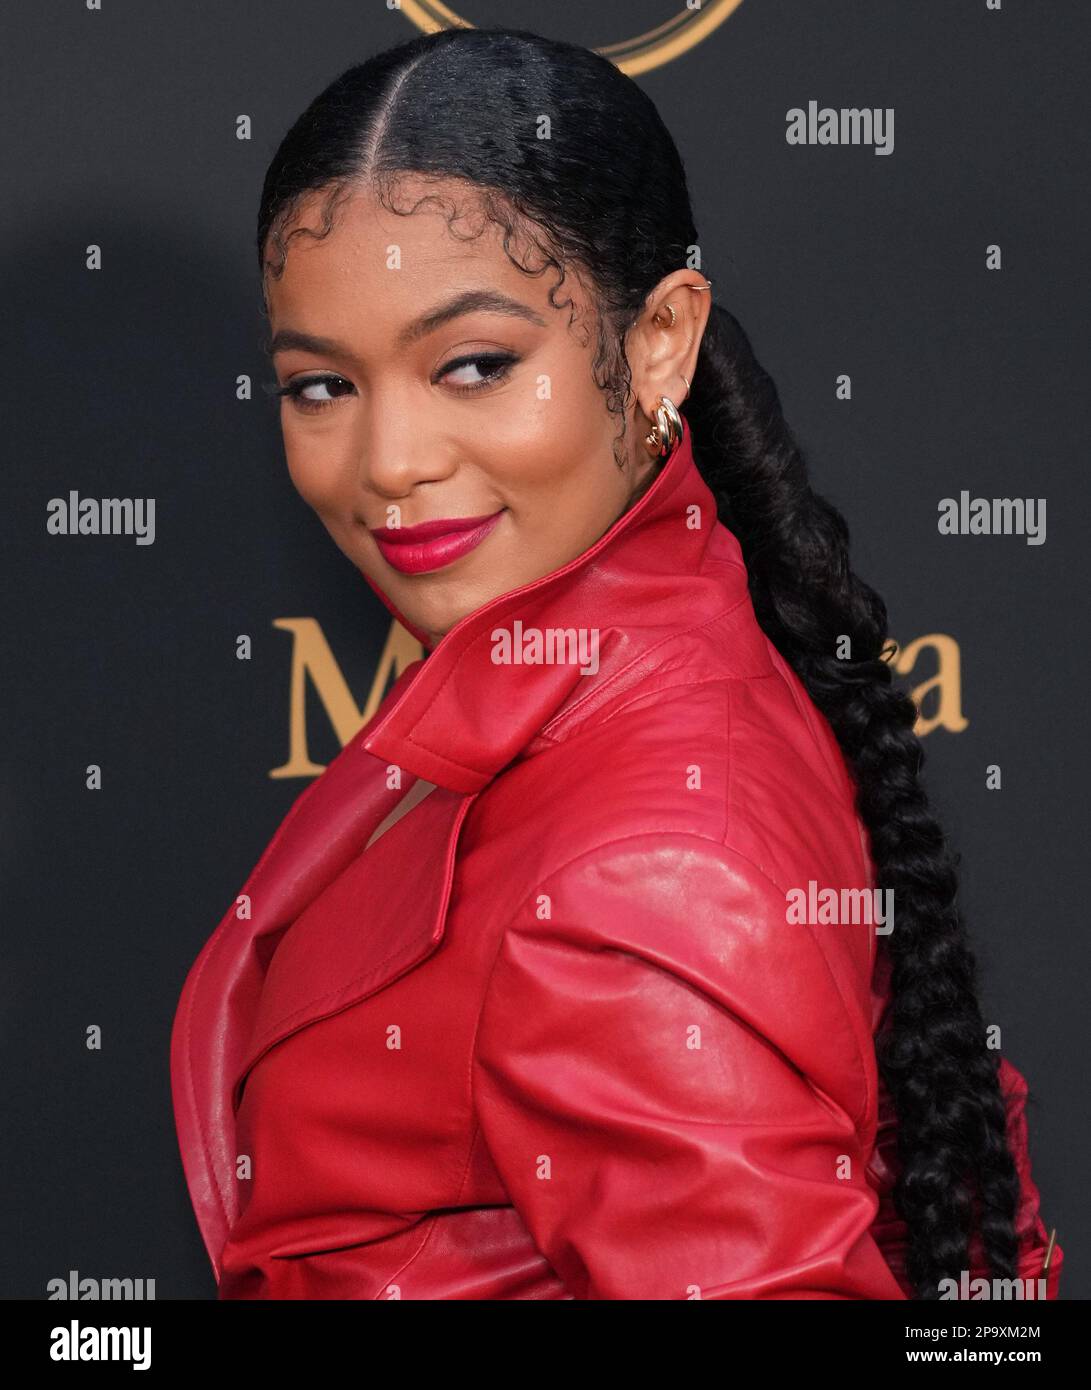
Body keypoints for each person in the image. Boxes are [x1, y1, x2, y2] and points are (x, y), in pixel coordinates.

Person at [170, 26, 1062, 1300]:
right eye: (320, 386)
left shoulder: (634, 871)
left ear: (656, 344)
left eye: (473, 365)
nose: (387, 461)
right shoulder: (611, 676)